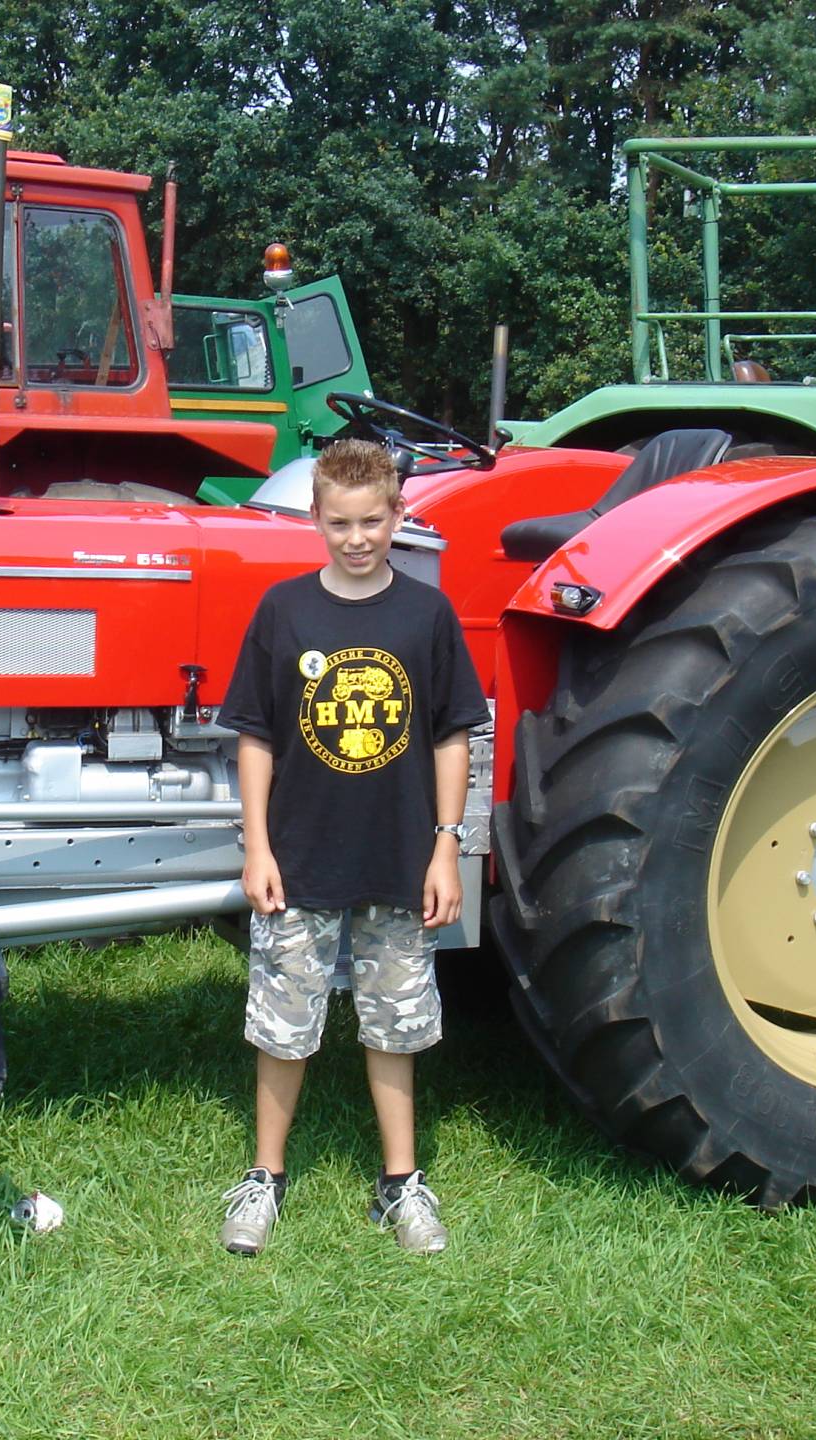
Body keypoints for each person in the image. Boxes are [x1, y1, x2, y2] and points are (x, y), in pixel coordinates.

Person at [214, 437, 488, 1257]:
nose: (358, 538)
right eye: (341, 523)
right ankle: (265, 1177)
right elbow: (256, 738)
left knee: (396, 1024)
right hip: (300, 856)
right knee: (282, 1025)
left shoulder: (427, 616)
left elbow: (451, 738)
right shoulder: (284, 611)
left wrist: (447, 848)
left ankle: (400, 1184)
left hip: (401, 860)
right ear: (316, 519)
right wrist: (257, 847)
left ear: (400, 517)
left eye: (373, 521)